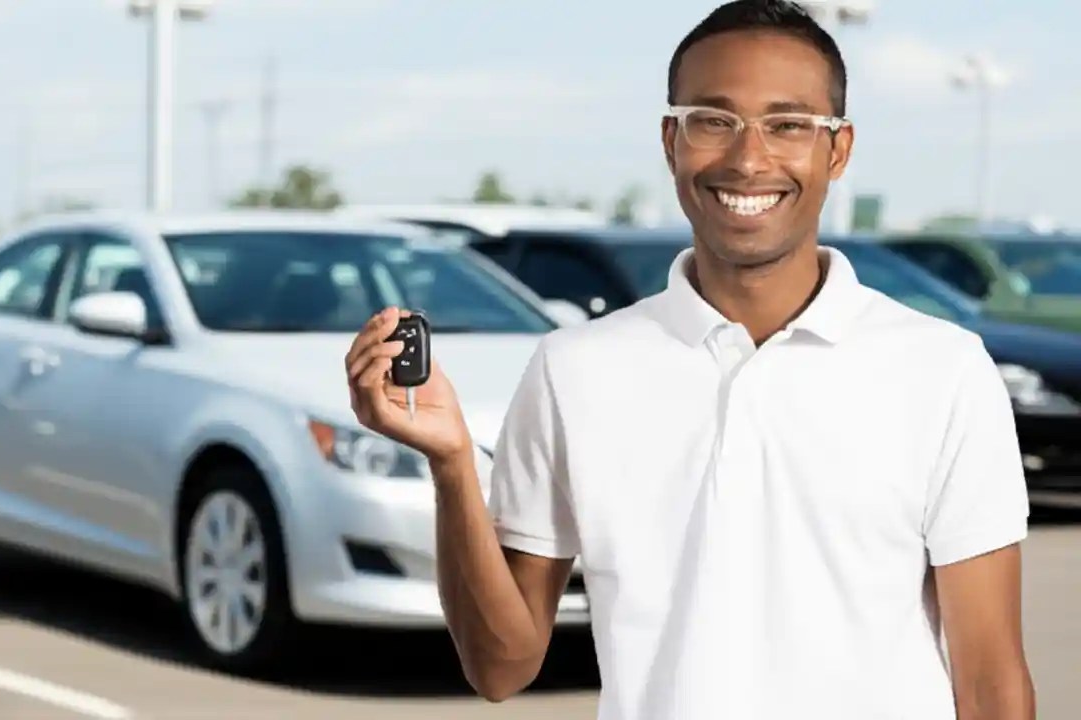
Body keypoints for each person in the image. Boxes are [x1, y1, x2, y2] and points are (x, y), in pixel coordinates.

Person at [343, 1, 1036, 717]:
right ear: (672, 141)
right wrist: (452, 465)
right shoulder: (573, 370)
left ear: (839, 149)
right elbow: (500, 667)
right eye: (714, 119)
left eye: (788, 124)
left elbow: (989, 681)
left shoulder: (942, 370)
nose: (747, 157)